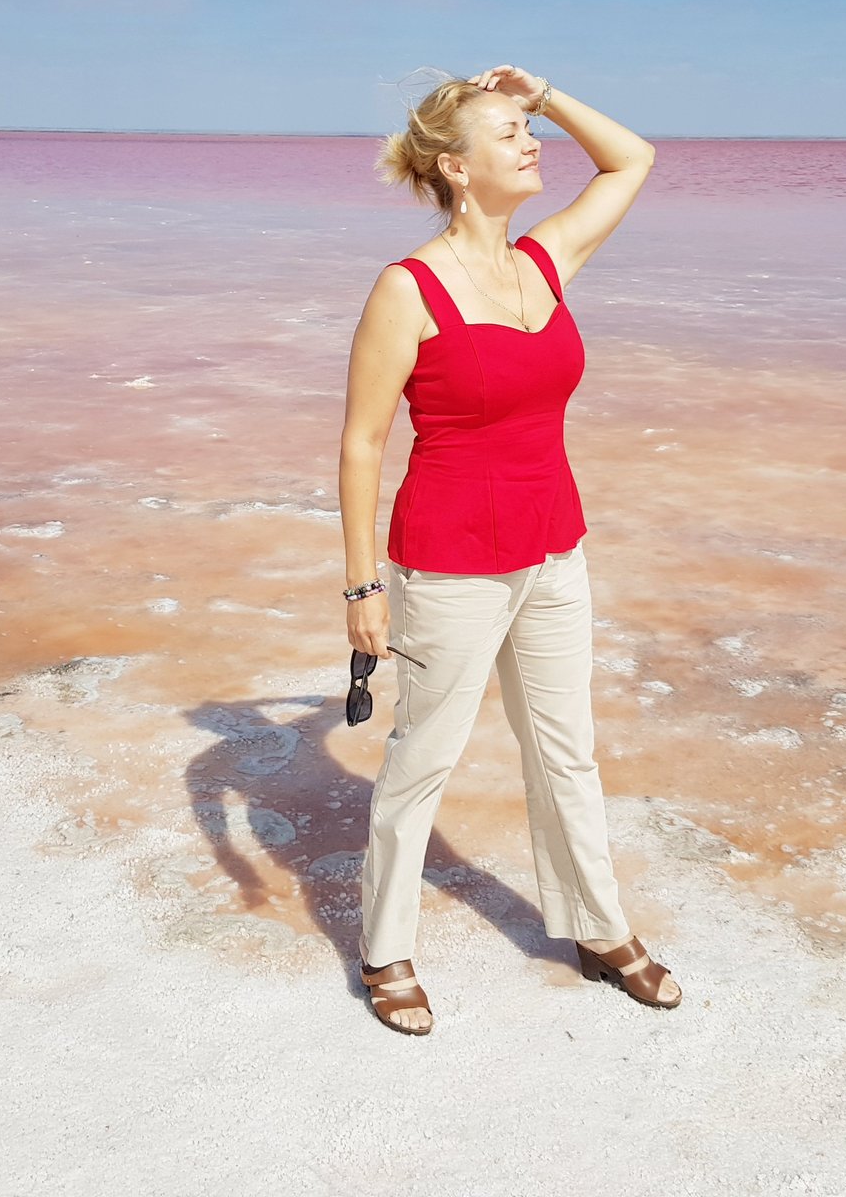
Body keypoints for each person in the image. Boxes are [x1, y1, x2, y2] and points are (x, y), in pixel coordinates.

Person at [339, 64, 675, 1036]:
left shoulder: (544, 260)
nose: (534, 145)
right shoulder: (408, 289)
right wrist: (360, 583)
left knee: (567, 752)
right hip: (447, 560)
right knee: (423, 760)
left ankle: (596, 926)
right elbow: (364, 443)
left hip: (553, 549)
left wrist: (552, 91)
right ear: (455, 165)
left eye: (534, 131)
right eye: (511, 132)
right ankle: (387, 948)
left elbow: (634, 158)